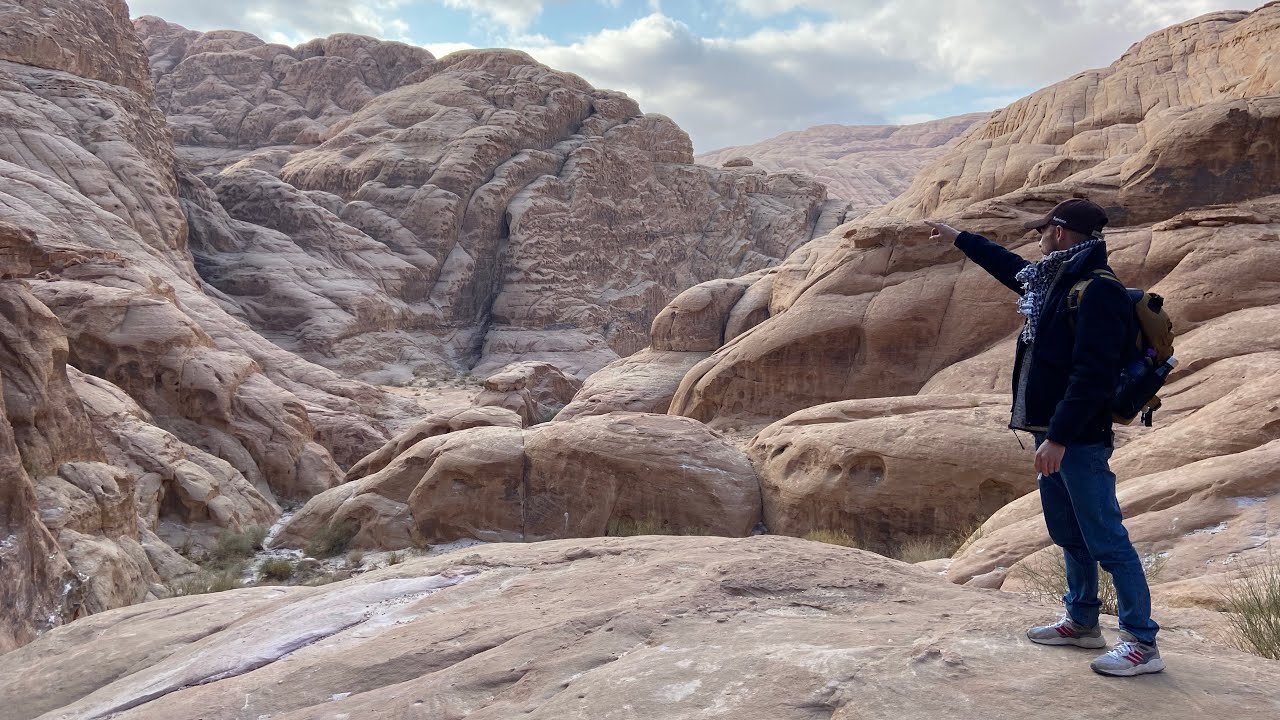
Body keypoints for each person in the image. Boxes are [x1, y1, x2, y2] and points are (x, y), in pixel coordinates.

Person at [925, 198, 1163, 677]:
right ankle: (1081, 622)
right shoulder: (1056, 280)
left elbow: (1093, 376)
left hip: (1076, 436)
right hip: (1051, 433)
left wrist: (1057, 437)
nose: (1038, 238)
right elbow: (1013, 269)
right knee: (1069, 533)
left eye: (1043, 230)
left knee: (1107, 539)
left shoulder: (1098, 291)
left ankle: (1141, 643)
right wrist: (959, 239)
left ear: (1059, 232)